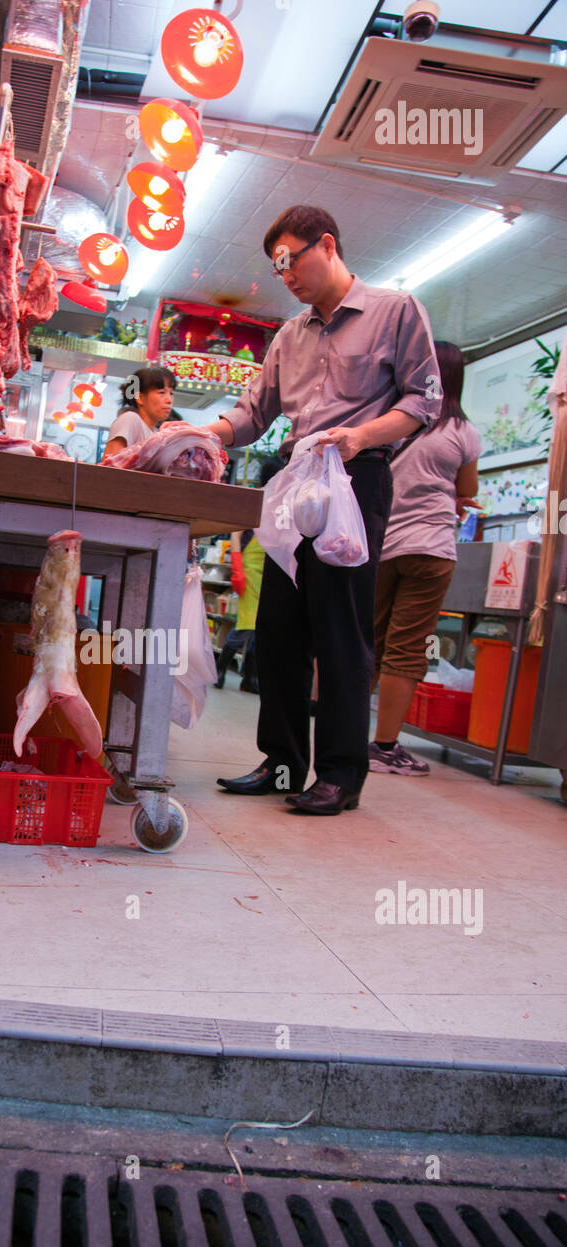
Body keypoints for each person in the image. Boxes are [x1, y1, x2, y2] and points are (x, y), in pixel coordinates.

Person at [209, 204, 441, 814]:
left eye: (291, 260)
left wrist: (363, 436)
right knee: (278, 628)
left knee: (341, 627)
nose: (285, 275)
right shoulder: (289, 335)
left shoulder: (395, 311)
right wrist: (206, 434)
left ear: (328, 244)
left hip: (355, 477)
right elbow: (254, 414)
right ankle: (284, 765)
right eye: (276, 267)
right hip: (294, 481)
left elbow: (425, 399)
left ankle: (342, 773)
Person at [369, 341, 480, 774]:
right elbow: (466, 491)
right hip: (431, 549)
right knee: (406, 650)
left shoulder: (391, 422)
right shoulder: (462, 433)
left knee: (370, 644)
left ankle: (340, 736)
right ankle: (384, 747)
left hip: (381, 545)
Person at [214, 530, 264, 692]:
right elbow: (236, 533)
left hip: (272, 567)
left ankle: (250, 678)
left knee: (263, 627)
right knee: (247, 624)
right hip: (250, 568)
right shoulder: (258, 505)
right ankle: (219, 670)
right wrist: (237, 567)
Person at [102, 366, 176, 459]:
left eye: (171, 393)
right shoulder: (130, 419)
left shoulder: (155, 434)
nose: (169, 400)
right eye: (161, 392)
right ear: (139, 397)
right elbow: (109, 467)